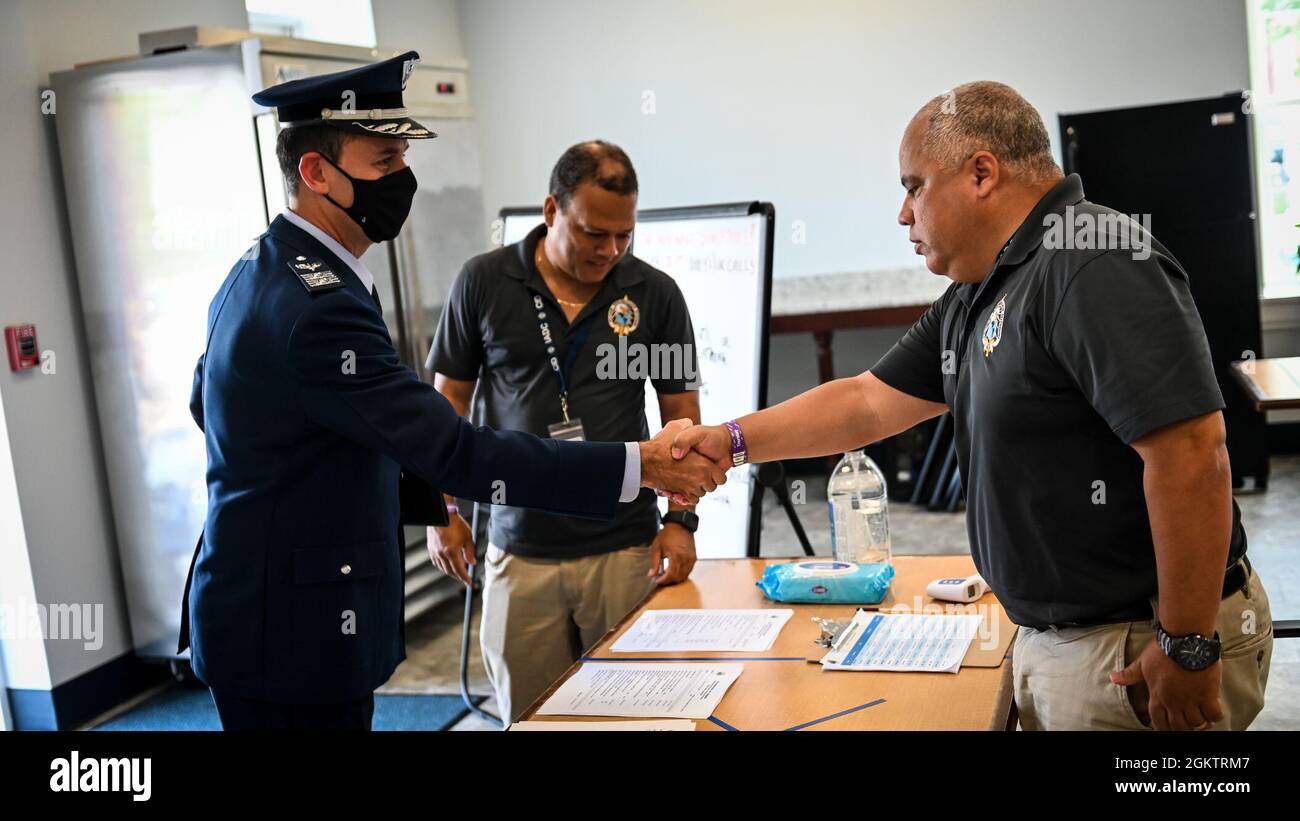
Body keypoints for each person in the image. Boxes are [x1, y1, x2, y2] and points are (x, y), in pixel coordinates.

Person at [671, 81, 1273, 731]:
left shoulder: (1090, 259)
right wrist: (728, 441)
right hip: (1068, 638)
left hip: (1137, 641)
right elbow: (868, 402)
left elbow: (1190, 453)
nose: (904, 214)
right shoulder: (984, 286)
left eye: (913, 186)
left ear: (981, 172)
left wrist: (1186, 642)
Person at [179, 52, 724, 731]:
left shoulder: (270, 269)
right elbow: (452, 444)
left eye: (403, 158)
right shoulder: (319, 300)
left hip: (275, 609)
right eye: (384, 163)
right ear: (316, 173)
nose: (404, 179)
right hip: (290, 627)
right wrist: (640, 464)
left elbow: (212, 401)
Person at [427, 140, 703, 722]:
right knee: (531, 716)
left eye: (624, 235)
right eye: (592, 233)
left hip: (626, 544)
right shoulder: (483, 281)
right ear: (551, 211)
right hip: (520, 544)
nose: (610, 250)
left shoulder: (655, 293)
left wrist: (681, 521)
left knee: (636, 716)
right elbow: (447, 404)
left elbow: (682, 419)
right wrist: (440, 508)